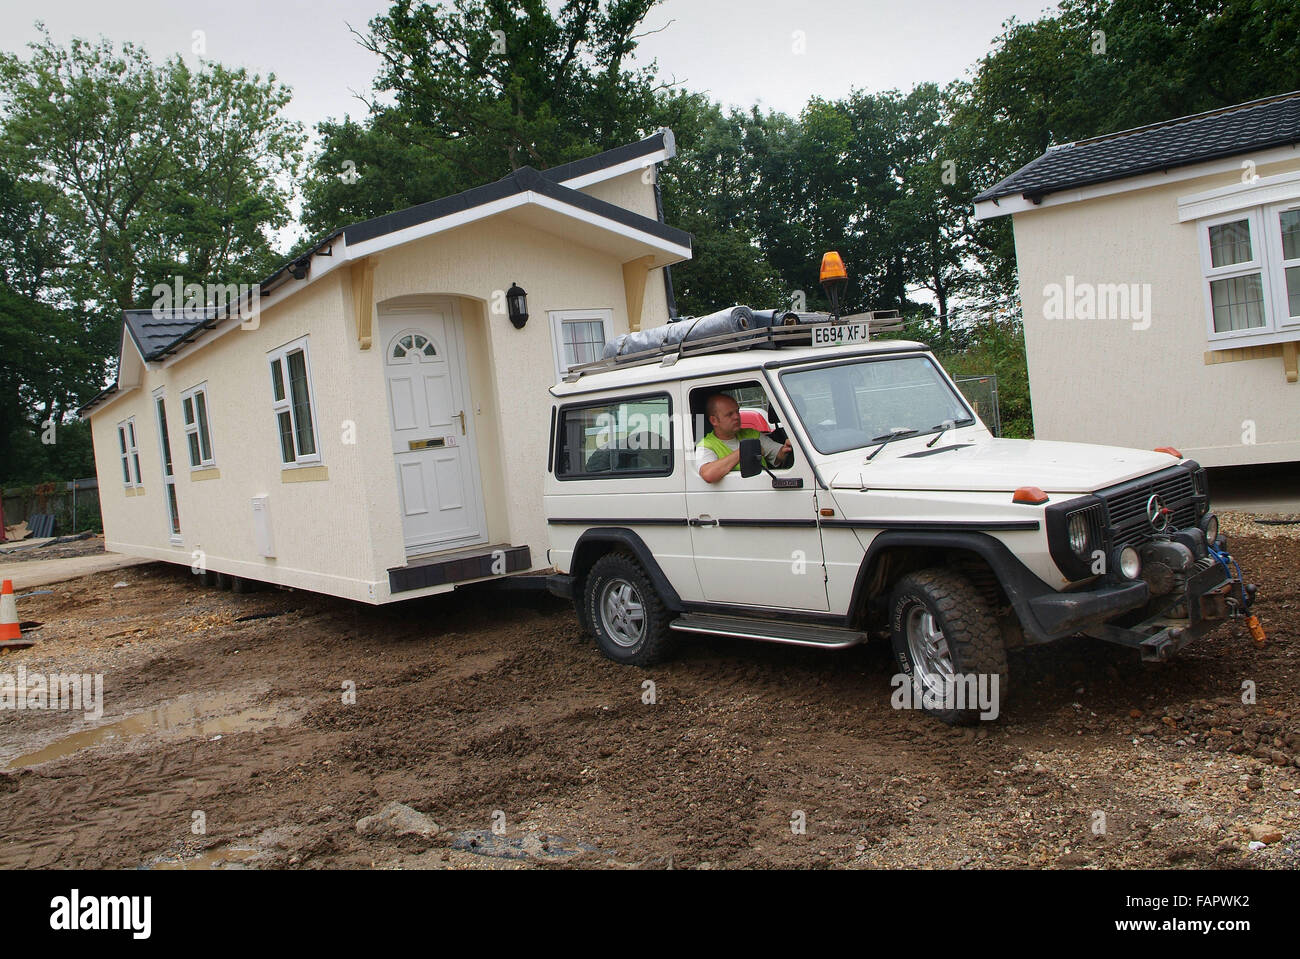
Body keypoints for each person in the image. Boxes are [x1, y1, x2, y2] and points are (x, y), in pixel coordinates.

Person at [696, 394, 791, 483]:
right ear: (714, 420)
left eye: (737, 411)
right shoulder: (706, 445)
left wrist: (786, 449)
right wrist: (745, 451)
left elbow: (778, 455)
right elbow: (708, 474)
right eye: (729, 414)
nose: (737, 417)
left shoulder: (751, 433)